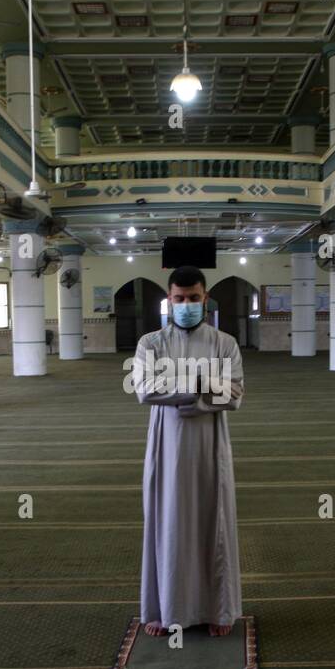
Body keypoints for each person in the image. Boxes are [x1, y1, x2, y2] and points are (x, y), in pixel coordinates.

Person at [132, 266, 245, 638]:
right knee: (168, 521)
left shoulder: (224, 343)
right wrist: (202, 386)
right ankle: (163, 610)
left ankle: (218, 610)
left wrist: (183, 392)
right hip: (167, 446)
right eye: (179, 299)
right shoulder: (150, 343)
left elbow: (234, 394)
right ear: (169, 300)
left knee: (212, 520)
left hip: (210, 446)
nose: (186, 305)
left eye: (193, 298)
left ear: (205, 298)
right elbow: (146, 390)